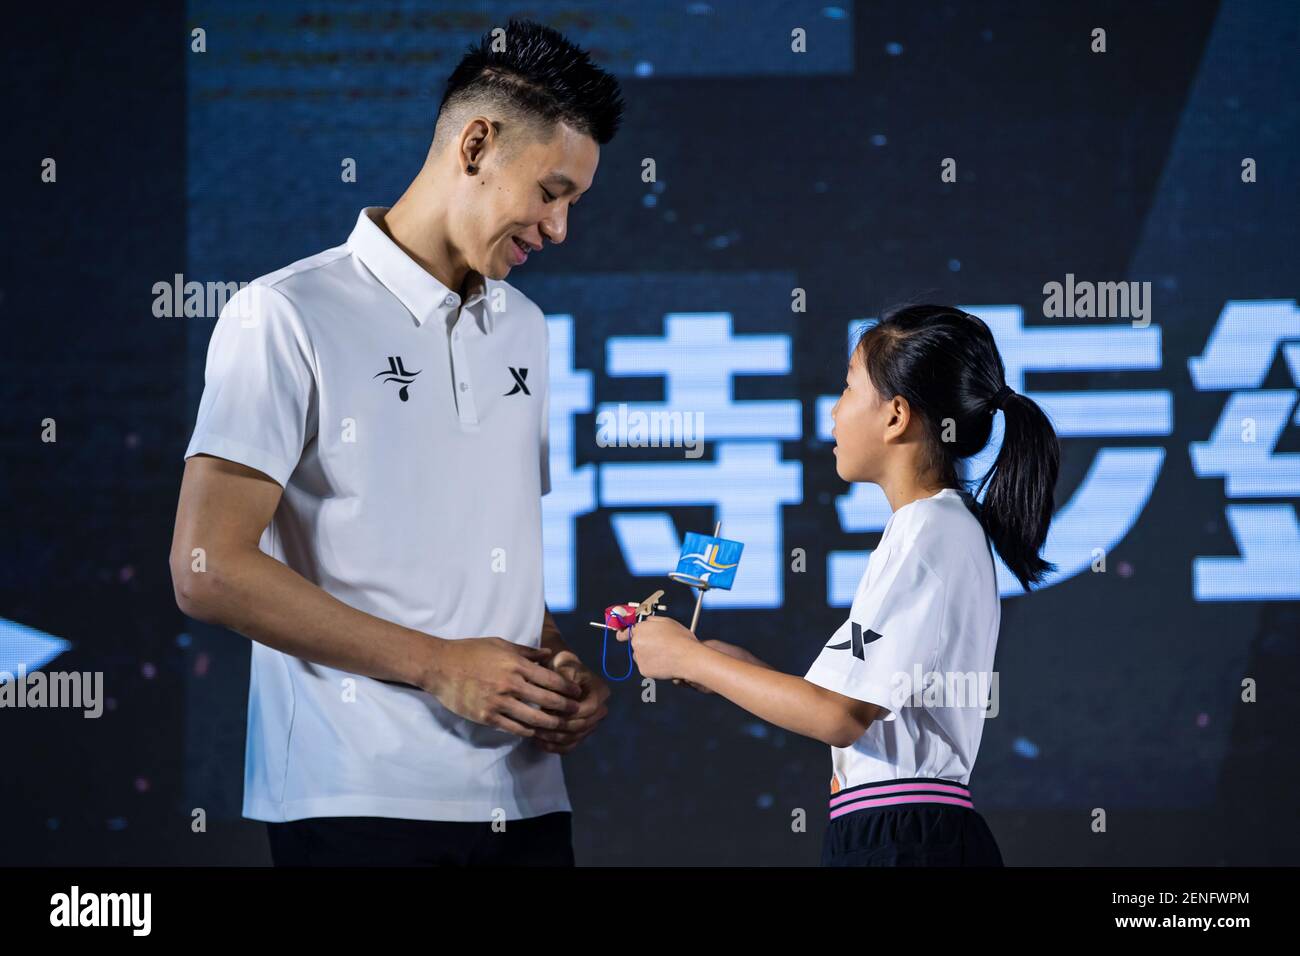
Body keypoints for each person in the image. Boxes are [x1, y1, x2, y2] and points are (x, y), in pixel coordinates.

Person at [170, 19, 625, 866]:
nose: (559, 228)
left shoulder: (525, 328)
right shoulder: (283, 313)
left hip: (525, 800)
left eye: (574, 205)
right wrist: (434, 665)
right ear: (476, 142)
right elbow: (207, 568)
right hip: (355, 794)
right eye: (552, 192)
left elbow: (485, 566)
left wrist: (553, 660)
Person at [624, 304, 1061, 866]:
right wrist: (719, 663)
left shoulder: (929, 531)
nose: (833, 413)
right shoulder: (935, 526)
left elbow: (837, 715)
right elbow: (844, 705)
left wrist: (691, 658)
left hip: (905, 840)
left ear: (896, 415)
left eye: (848, 389)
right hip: (900, 832)